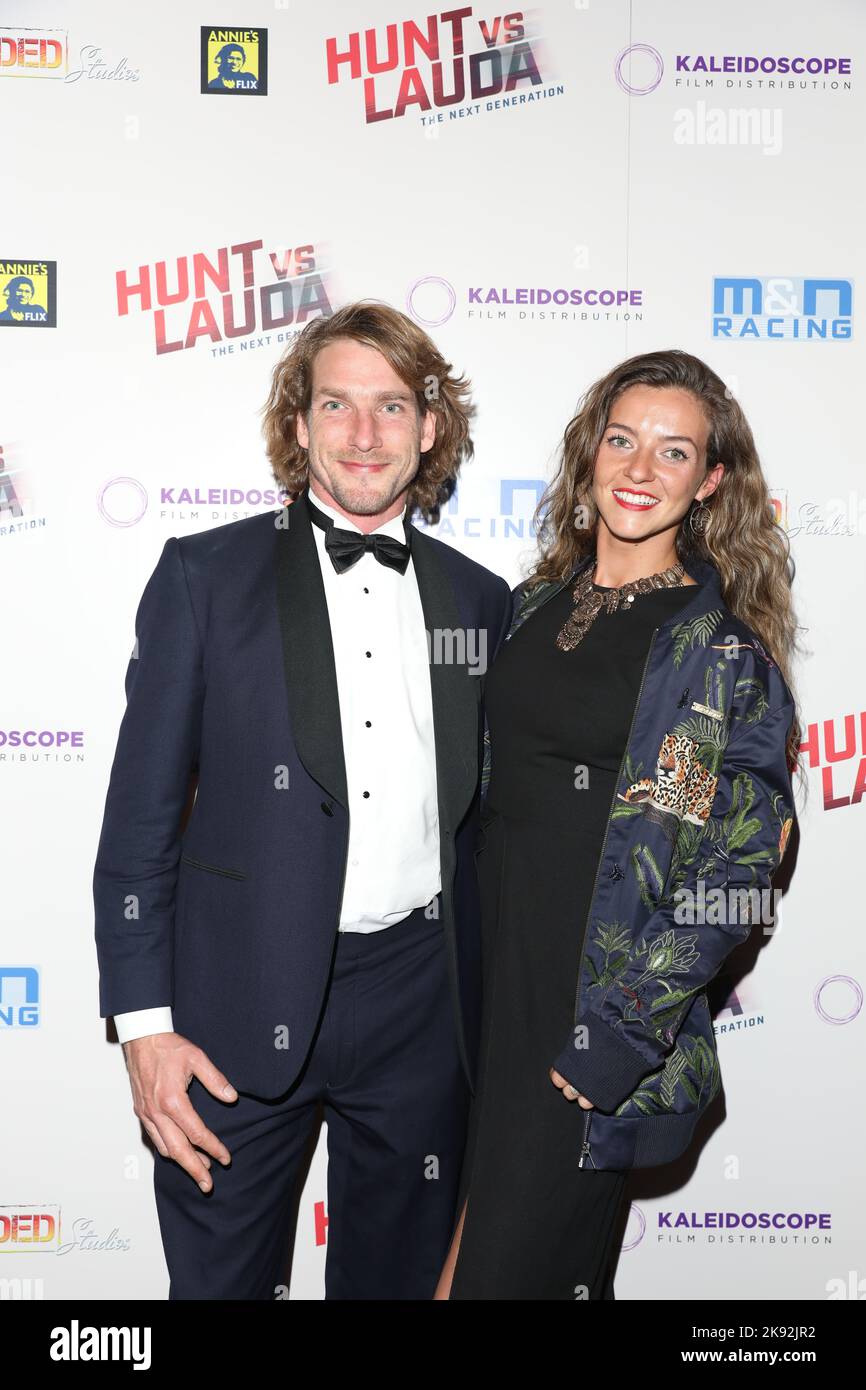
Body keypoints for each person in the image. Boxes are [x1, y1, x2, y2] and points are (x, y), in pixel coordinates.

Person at [93, 299, 512, 1299]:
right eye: (336, 405)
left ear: (429, 428)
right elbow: (139, 828)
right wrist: (145, 1030)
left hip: (419, 1006)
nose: (363, 434)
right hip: (232, 1009)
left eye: (391, 406)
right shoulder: (205, 577)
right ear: (297, 425)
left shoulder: (480, 600)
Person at [436, 348, 802, 1300]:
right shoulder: (527, 607)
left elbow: (735, 869)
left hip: (588, 1019)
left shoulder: (717, 654)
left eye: (674, 453)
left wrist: (624, 1034)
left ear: (712, 481)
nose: (640, 470)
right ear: (589, 453)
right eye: (622, 440)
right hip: (478, 996)